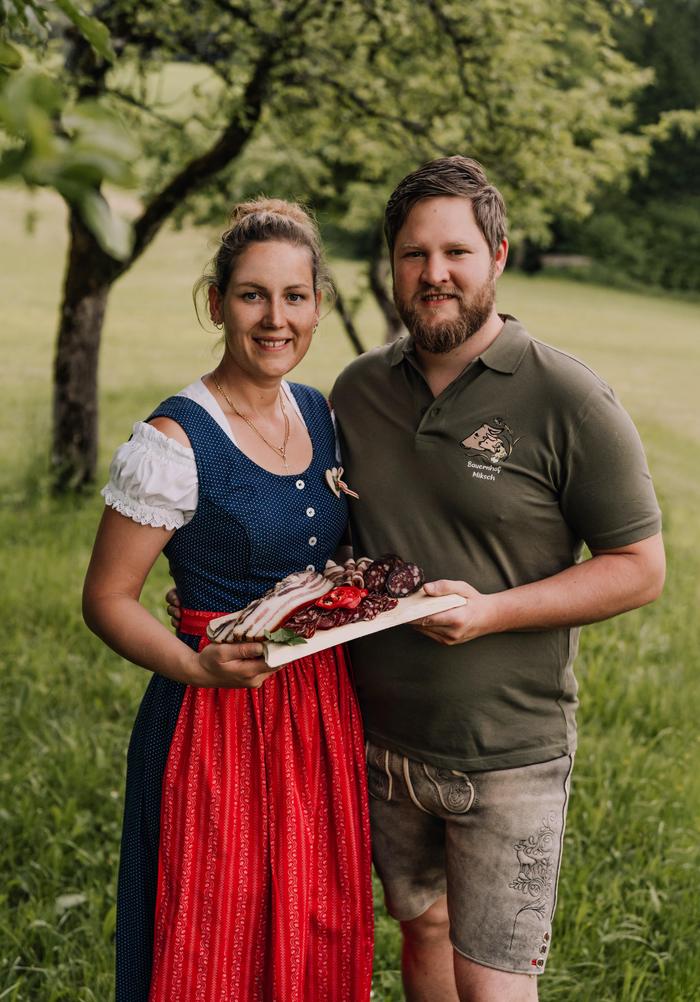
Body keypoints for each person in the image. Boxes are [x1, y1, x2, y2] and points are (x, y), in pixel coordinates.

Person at [328, 157, 665, 1002]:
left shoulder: (569, 399)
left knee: (494, 986)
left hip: (508, 757)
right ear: (392, 266)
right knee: (422, 934)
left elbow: (639, 569)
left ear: (499, 257)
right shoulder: (358, 391)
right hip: (379, 743)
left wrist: (491, 613)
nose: (434, 273)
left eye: (456, 252)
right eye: (413, 254)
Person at [82, 199, 373, 1002]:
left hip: (316, 711)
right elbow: (107, 598)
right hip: (213, 719)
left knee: (313, 924)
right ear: (217, 303)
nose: (275, 318)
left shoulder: (321, 412)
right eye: (252, 295)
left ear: (319, 305)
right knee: (212, 931)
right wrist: (194, 664)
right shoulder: (175, 441)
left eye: (294, 296)